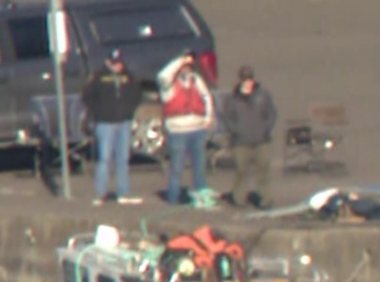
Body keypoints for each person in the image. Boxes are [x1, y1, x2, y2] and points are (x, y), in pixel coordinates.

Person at [81, 49, 144, 205]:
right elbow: (87, 96)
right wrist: (99, 112)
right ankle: (100, 193)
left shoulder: (128, 76)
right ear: (108, 62)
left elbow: (137, 94)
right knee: (105, 158)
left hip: (124, 121)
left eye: (120, 63)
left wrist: (129, 110)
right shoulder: (98, 77)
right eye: (114, 63)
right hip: (105, 123)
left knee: (123, 158)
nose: (118, 66)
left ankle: (123, 192)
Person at [157, 50, 216, 206]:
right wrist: (180, 60)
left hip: (198, 130)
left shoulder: (197, 80)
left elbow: (206, 97)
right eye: (184, 66)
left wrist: (208, 117)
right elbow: (162, 76)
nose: (187, 69)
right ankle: (173, 197)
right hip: (178, 132)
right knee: (177, 166)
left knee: (199, 166)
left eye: (189, 66)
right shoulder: (168, 86)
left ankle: (201, 195)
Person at [223, 65, 278, 209]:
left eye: (250, 79)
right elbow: (227, 118)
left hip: (262, 140)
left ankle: (265, 199)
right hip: (241, 142)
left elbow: (271, 114)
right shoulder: (232, 98)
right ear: (240, 80)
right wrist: (236, 131)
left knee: (263, 171)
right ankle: (239, 199)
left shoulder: (263, 95)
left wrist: (266, 128)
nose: (248, 82)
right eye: (245, 79)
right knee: (241, 172)